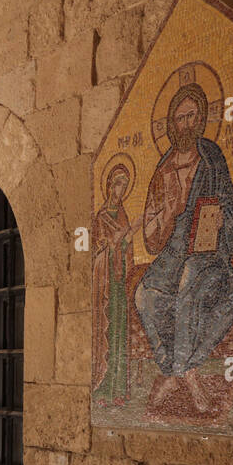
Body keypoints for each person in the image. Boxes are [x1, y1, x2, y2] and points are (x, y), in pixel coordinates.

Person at [134, 82, 233, 413]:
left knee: (196, 285)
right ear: (172, 124)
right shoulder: (164, 168)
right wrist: (168, 212)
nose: (186, 123)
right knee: (144, 295)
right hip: (172, 251)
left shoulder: (211, 158)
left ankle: (180, 375)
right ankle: (182, 370)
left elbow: (229, 205)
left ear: (201, 119)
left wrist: (224, 224)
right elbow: (151, 237)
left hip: (205, 250)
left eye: (192, 116)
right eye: (180, 118)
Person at [92, 162, 137, 405]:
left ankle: (119, 390)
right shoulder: (100, 216)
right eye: (119, 183)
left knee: (120, 333)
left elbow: (127, 247)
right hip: (105, 280)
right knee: (107, 331)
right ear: (110, 185)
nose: (121, 189)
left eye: (126, 186)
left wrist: (127, 238)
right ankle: (103, 388)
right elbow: (98, 247)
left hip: (119, 282)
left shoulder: (122, 215)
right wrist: (113, 242)